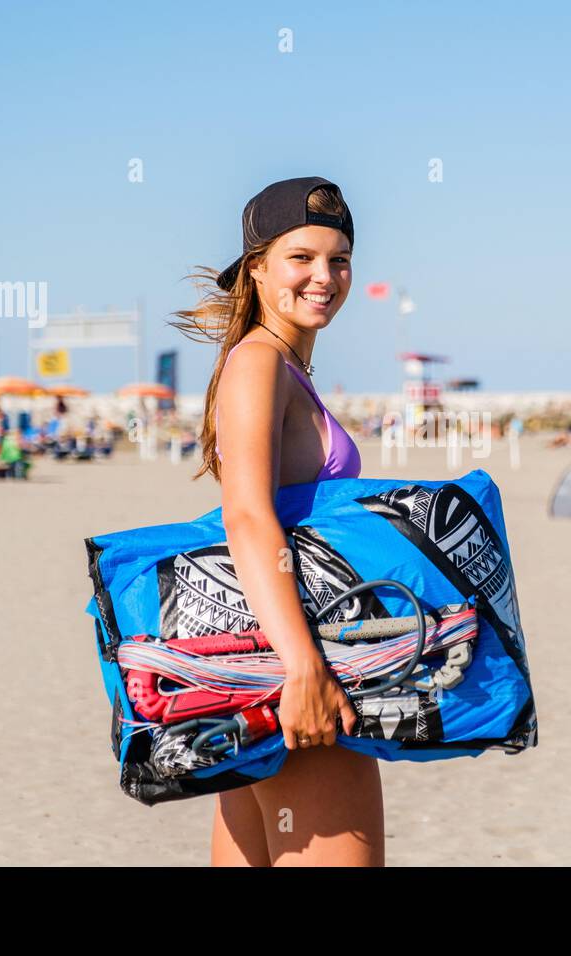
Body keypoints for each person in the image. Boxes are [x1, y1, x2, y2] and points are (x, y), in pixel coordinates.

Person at [169, 177, 381, 867]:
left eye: (340, 259)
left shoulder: (280, 363)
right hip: (289, 667)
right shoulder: (260, 362)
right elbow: (249, 515)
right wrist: (304, 669)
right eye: (302, 257)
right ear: (256, 267)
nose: (325, 276)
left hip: (256, 672)